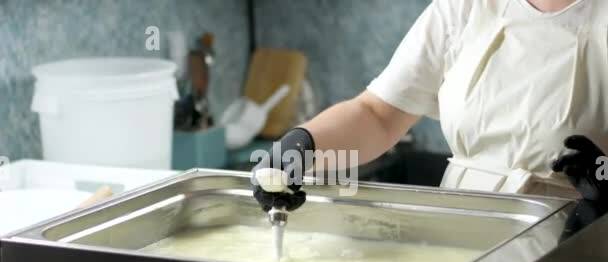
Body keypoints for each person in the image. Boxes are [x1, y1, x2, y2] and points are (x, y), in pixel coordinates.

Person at [252, 0, 608, 216]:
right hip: (461, 244)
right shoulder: (463, 8)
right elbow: (379, 115)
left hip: (572, 256)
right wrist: (303, 145)